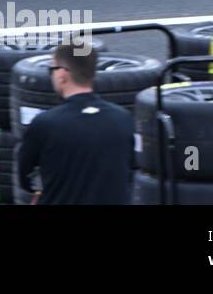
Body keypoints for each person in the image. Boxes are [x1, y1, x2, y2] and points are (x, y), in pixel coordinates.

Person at [17, 42, 133, 205]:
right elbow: (130, 169)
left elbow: (25, 177)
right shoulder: (123, 118)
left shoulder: (44, 124)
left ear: (62, 74)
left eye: (52, 70)